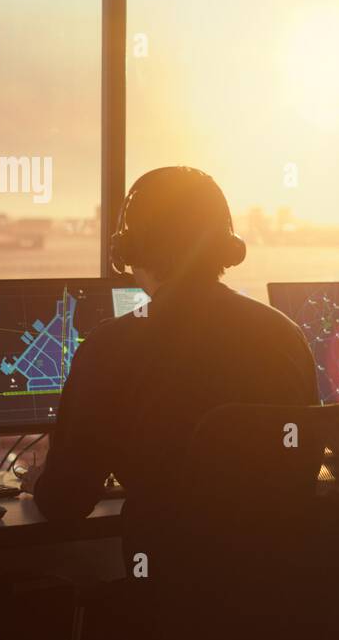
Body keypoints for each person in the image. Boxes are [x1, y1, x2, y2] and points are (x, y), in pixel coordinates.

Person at [20, 166, 317, 547]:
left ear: (129, 251)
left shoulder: (112, 346)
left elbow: (66, 502)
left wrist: (40, 480)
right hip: (286, 587)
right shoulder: (284, 334)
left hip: (174, 590)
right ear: (225, 248)